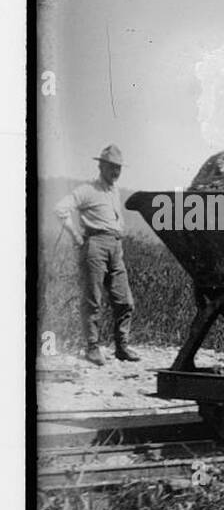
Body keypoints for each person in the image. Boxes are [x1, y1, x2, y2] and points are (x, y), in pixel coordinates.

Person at [53, 144, 139, 366]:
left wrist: (118, 236)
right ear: (101, 166)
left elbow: (115, 218)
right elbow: (61, 208)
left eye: (118, 168)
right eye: (111, 167)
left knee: (125, 300)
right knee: (93, 299)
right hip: (94, 245)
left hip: (115, 247)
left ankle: (122, 347)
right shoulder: (87, 190)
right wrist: (75, 235)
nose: (116, 172)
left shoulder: (114, 191)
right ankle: (92, 348)